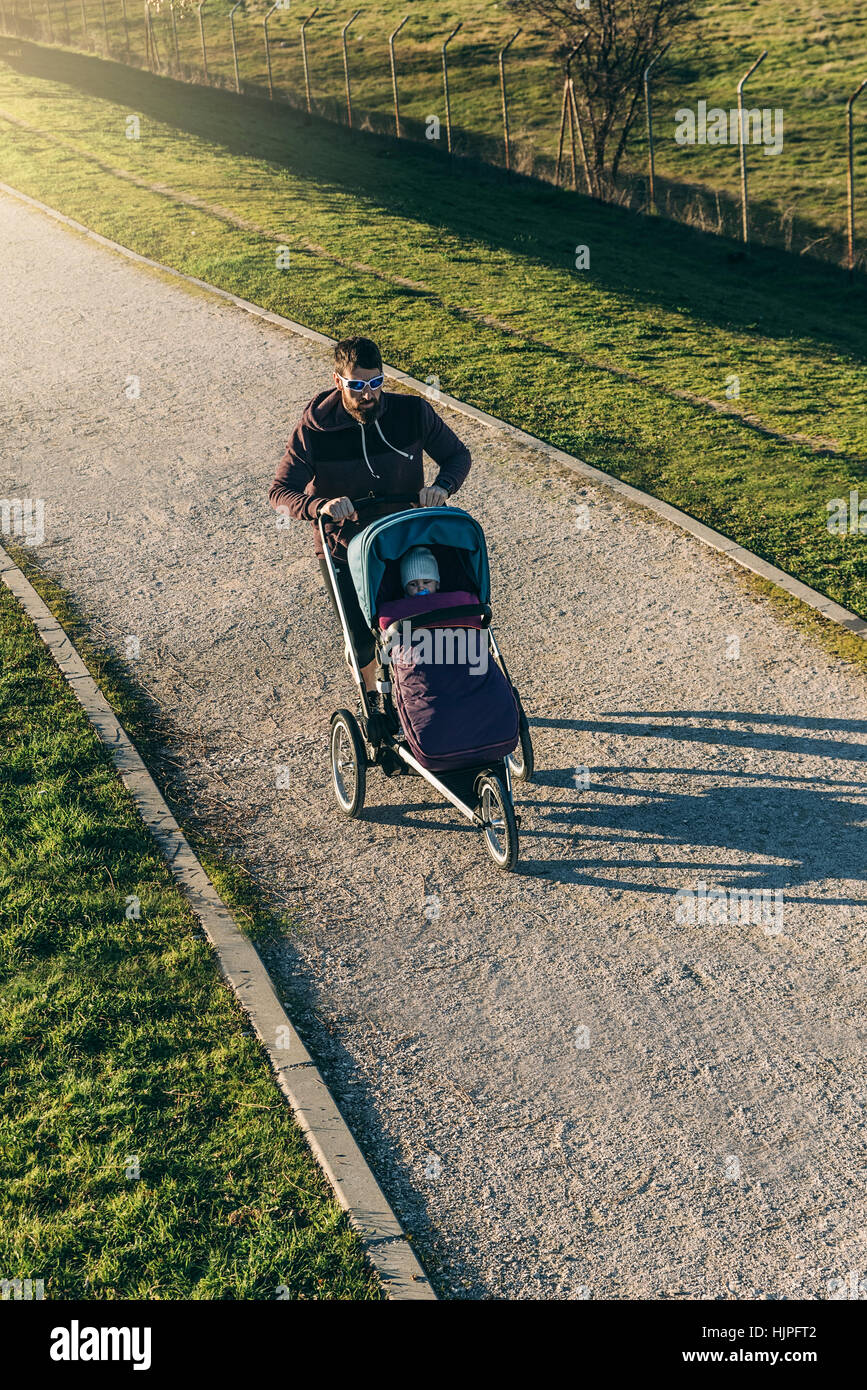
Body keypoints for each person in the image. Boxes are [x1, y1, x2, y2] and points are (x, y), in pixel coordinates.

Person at [269, 336, 472, 714]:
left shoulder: (413, 414)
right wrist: (320, 505)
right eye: (357, 386)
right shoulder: (314, 431)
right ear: (338, 381)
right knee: (364, 640)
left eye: (376, 383)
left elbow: (457, 455)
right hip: (344, 546)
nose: (368, 395)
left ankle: (433, 696)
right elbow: (280, 492)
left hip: (405, 535)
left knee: (425, 617)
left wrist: (442, 487)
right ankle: (376, 706)